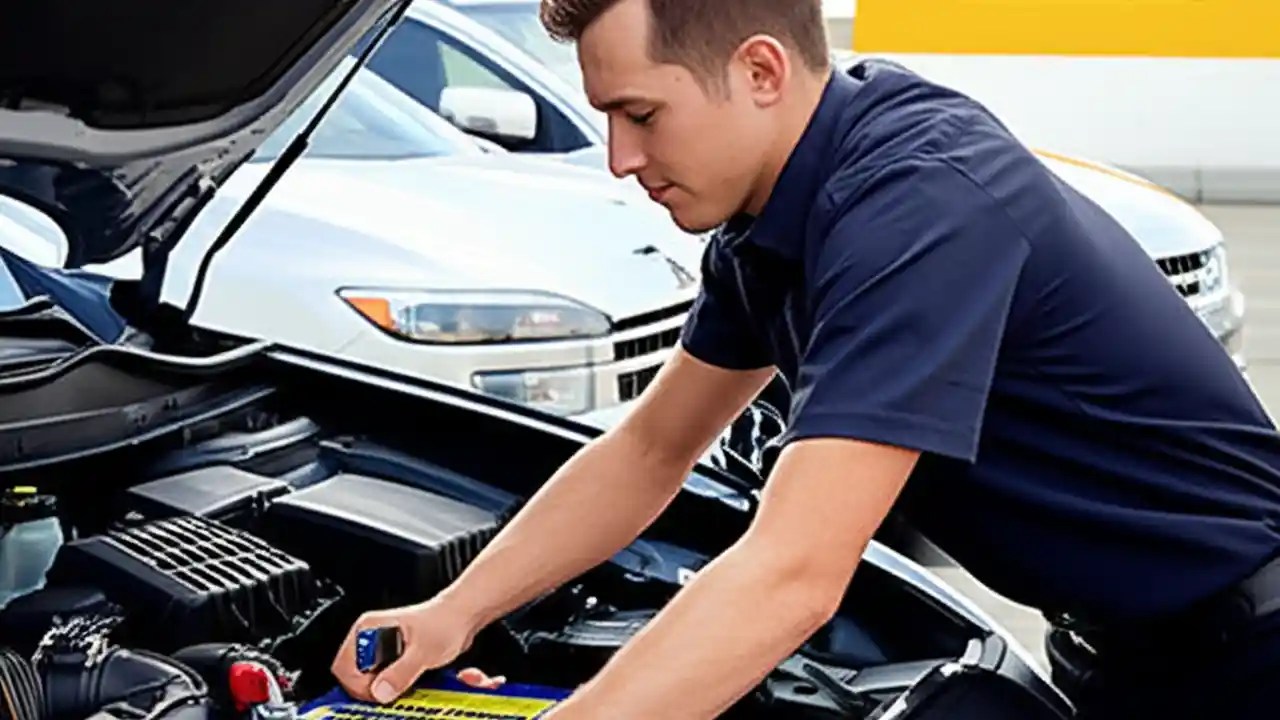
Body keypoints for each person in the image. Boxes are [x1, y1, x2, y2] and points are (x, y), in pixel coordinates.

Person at [329, 0, 1280, 717]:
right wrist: (457, 610)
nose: (618, 156)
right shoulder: (771, 223)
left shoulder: (918, 202)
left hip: (1252, 657)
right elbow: (652, 449)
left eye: (641, 114)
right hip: (1124, 653)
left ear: (761, 69)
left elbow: (793, 573)